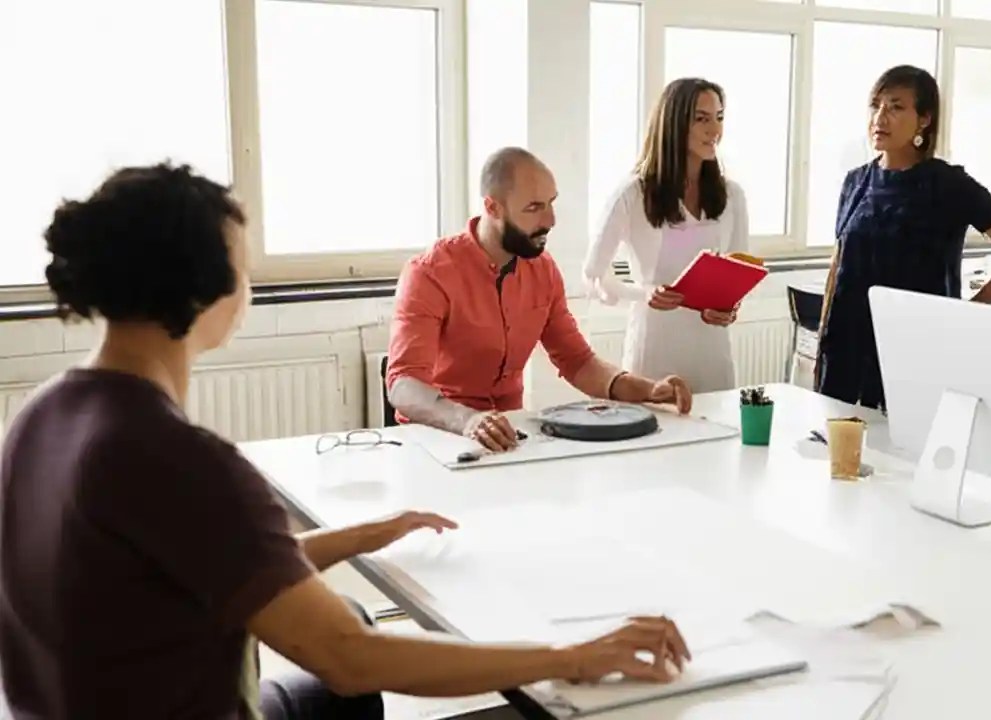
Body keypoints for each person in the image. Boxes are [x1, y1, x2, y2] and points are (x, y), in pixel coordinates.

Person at [0, 163, 691, 720]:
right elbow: (351, 657)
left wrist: (358, 536)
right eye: (243, 268)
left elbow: (178, 569)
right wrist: (568, 657)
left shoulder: (45, 412)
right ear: (204, 286)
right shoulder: (180, 460)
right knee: (364, 666)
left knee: (345, 634)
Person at [387, 147, 694, 452]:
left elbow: (578, 362)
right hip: (436, 440)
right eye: (534, 208)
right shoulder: (428, 274)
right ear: (492, 208)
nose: (550, 220)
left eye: (551, 203)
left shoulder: (543, 270)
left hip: (507, 438)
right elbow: (403, 385)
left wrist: (648, 390)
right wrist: (468, 421)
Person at [816, 65, 991, 410]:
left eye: (895, 106)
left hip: (916, 348)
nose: (881, 117)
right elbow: (840, 267)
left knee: (904, 453)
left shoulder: (948, 184)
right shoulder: (855, 181)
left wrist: (973, 310)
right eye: (876, 105)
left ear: (924, 119)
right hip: (847, 347)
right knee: (840, 453)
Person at [582, 78, 747, 392]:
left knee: (720, 436)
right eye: (702, 119)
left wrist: (730, 308)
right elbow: (593, 277)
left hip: (713, 356)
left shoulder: (732, 195)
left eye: (719, 117)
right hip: (654, 355)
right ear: (674, 124)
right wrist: (644, 292)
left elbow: (738, 271)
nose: (715, 130)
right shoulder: (633, 193)